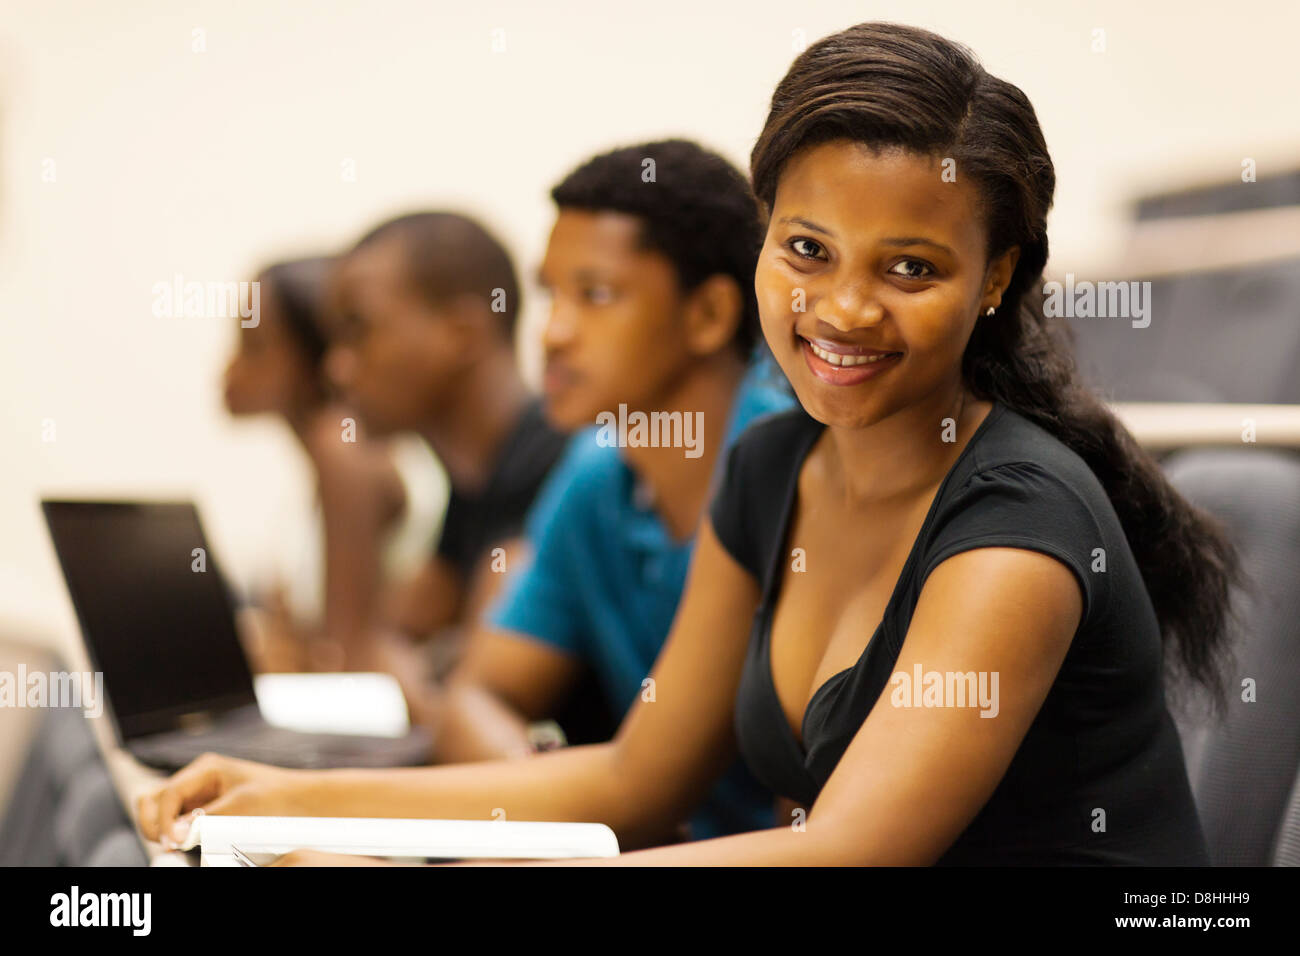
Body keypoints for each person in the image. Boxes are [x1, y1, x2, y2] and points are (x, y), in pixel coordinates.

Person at [141, 22, 1239, 865]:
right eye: (807, 249)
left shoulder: (1018, 529)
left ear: (995, 279)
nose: (843, 309)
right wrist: (280, 789)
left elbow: (848, 851)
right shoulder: (768, 470)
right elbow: (636, 773)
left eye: (909, 267)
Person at [423, 140, 794, 840]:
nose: (554, 334)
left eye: (596, 295)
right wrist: (542, 798)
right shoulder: (594, 473)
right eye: (549, 294)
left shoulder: (798, 464)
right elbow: (479, 689)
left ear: (709, 315)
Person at [323, 213, 570, 679]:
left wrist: (426, 668)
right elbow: (386, 643)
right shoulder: (473, 479)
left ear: (461, 334)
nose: (337, 367)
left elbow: (466, 697)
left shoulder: (557, 466)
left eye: (358, 328)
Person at [222, 257, 439, 673]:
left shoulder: (344, 450)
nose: (229, 367)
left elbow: (348, 661)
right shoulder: (328, 455)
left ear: (312, 358)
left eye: (253, 346)